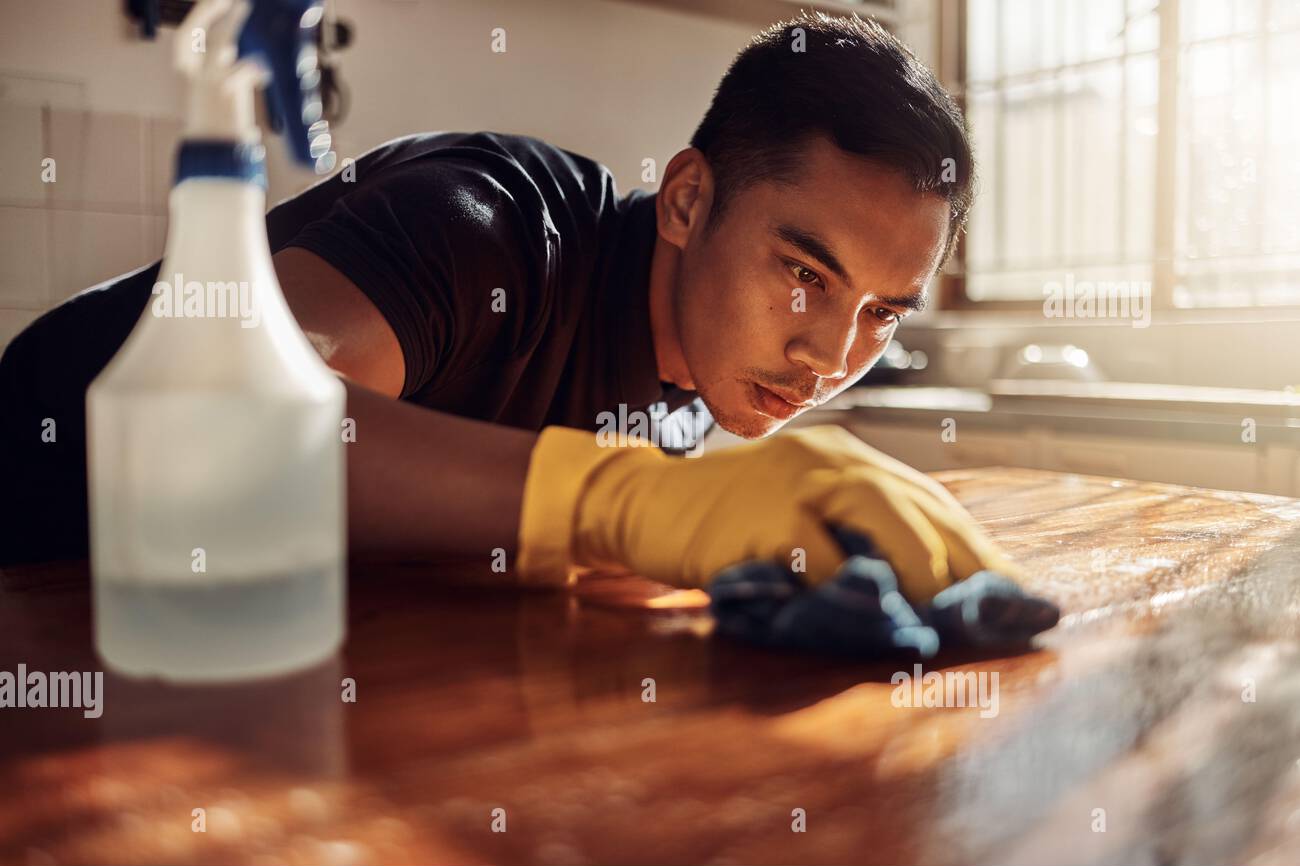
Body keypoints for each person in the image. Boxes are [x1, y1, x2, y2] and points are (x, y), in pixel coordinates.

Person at [0, 12, 1017, 602]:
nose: (827, 356)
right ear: (689, 199)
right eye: (805, 273)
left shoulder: (707, 375)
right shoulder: (491, 223)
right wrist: (622, 502)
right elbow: (228, 427)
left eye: (882, 313)